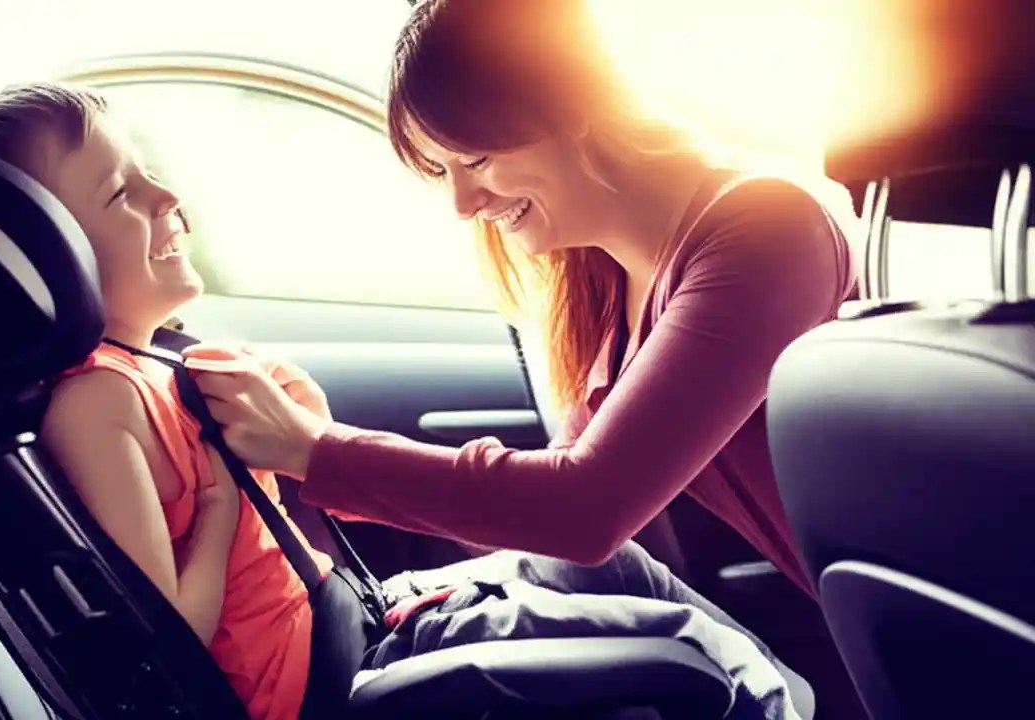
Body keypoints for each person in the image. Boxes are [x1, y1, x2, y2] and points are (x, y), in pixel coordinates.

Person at [0, 81, 812, 720]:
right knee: (693, 662)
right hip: (330, 685)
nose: (167, 196)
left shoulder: (162, 364)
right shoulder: (98, 408)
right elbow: (169, 649)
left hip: (355, 618)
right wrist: (232, 502)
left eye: (149, 171)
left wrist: (299, 433)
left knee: (613, 571)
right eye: (124, 192)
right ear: (41, 258)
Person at [181, 0, 859, 714]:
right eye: (442, 170)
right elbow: (557, 524)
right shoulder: (609, 277)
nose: (462, 203)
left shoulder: (766, 230)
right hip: (852, 620)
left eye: (474, 160)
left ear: (575, 104)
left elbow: (584, 508)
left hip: (910, 633)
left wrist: (318, 451)